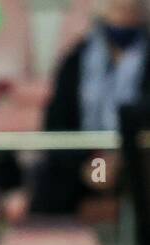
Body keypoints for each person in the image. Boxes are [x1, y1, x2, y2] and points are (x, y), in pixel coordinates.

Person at [30, 0, 150, 217]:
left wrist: (122, 159)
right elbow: (56, 125)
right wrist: (88, 164)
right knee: (50, 181)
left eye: (131, 11)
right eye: (118, 10)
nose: (124, 19)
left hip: (137, 159)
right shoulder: (76, 59)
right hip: (83, 161)